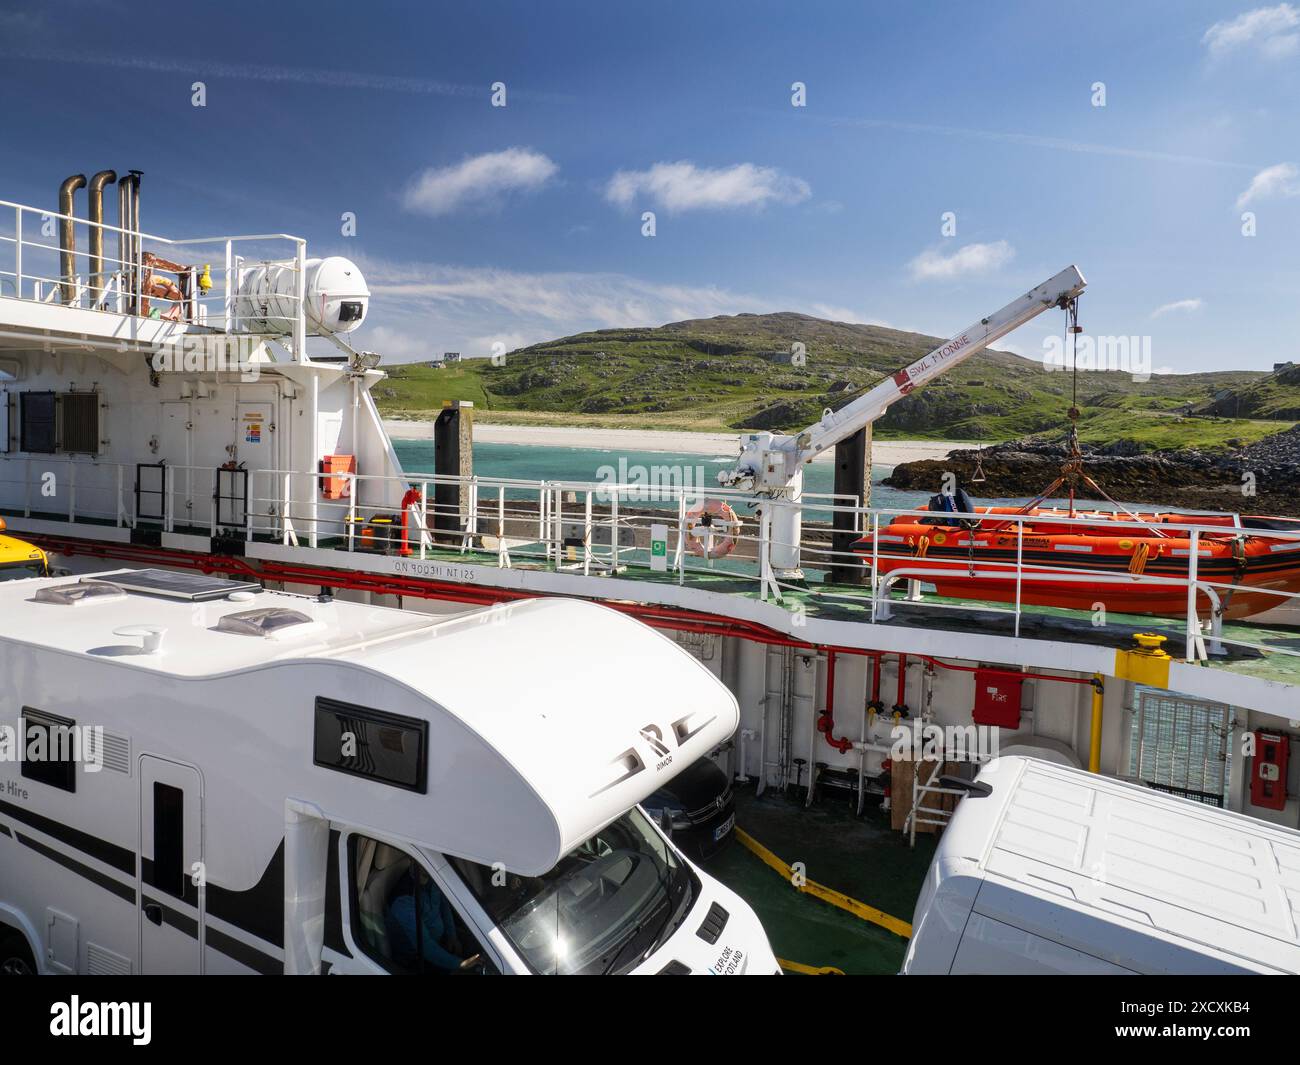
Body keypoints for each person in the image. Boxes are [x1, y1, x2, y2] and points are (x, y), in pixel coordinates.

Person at [385, 866, 465, 973]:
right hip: (417, 959)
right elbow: (425, 947)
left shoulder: (432, 878)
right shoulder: (403, 901)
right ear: (411, 860)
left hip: (440, 942)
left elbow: (444, 907)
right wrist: (460, 964)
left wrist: (452, 936)